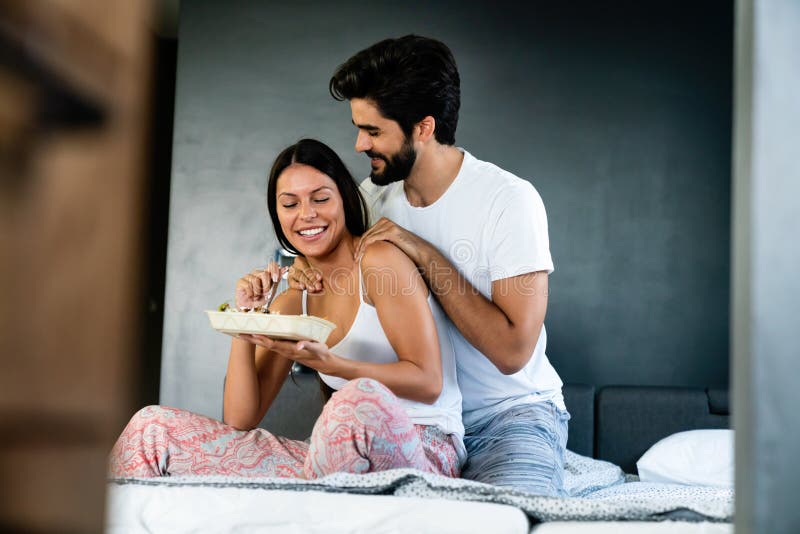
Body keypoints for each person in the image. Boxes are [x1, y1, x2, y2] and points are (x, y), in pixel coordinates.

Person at [290, 35, 570, 495]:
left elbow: (512, 352)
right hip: (416, 423)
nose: (359, 144)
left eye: (374, 131)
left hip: (508, 416)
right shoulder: (370, 199)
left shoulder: (508, 200)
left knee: (501, 521)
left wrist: (421, 251)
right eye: (358, 127)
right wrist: (305, 274)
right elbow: (331, 290)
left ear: (423, 127)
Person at [109, 138, 465, 479]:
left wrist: (334, 365)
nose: (306, 215)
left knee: (352, 402)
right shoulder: (294, 299)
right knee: (150, 427)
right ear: (277, 213)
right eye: (290, 204)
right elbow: (239, 419)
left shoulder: (379, 261)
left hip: (423, 447)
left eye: (320, 198)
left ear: (344, 198)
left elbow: (429, 381)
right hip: (331, 454)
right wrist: (246, 318)